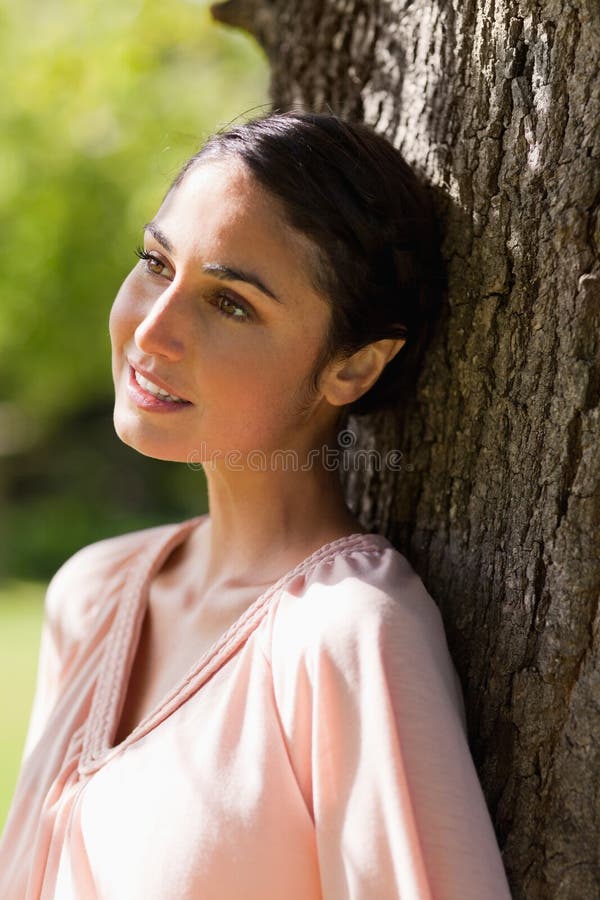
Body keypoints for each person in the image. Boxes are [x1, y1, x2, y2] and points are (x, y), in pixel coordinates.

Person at [0, 111, 513, 899]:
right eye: (156, 264)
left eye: (230, 303)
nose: (153, 331)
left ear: (354, 368)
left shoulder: (346, 635)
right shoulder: (91, 593)